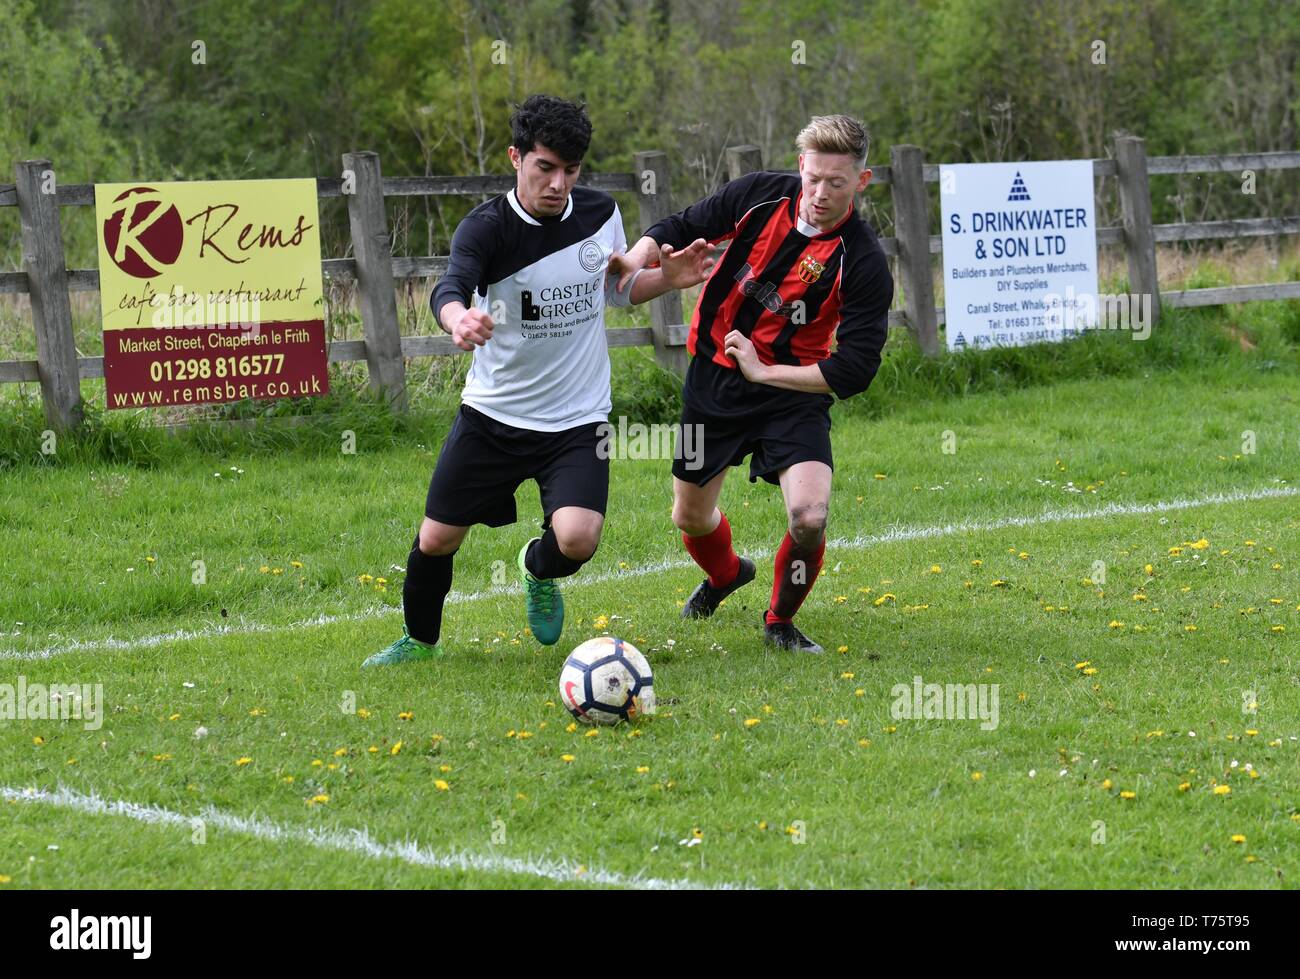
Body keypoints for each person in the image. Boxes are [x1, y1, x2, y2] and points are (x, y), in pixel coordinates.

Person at [363, 94, 712, 667]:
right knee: (437, 540)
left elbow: (616, 289)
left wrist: (667, 280)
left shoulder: (600, 215)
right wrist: (460, 319)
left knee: (577, 539)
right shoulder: (485, 229)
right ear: (516, 158)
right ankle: (418, 642)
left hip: (577, 418)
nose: (557, 183)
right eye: (544, 167)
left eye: (569, 171)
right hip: (493, 416)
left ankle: (537, 567)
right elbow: (447, 289)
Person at [613, 115, 894, 653]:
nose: (819, 193)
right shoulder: (760, 195)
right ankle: (726, 576)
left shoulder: (861, 260)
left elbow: (855, 369)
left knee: (809, 516)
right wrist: (635, 258)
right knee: (690, 516)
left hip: (792, 393)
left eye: (837, 183)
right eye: (813, 178)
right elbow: (677, 226)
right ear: (800, 167)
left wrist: (765, 372)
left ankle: (779, 622)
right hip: (713, 380)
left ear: (862, 182)